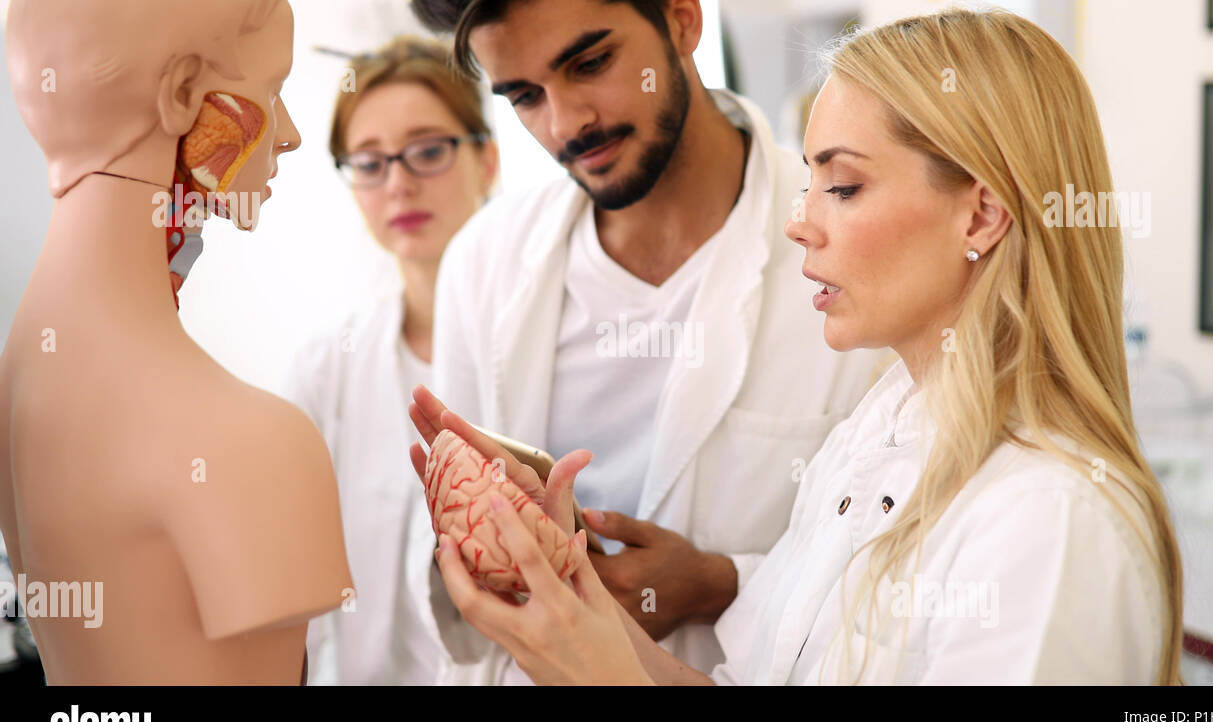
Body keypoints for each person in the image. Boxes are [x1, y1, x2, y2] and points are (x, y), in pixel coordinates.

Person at [411, 8, 1185, 685]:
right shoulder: (869, 440)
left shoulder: (1051, 522)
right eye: (811, 182)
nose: (798, 221)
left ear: (981, 217)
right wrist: (566, 583)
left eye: (843, 188)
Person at [408, 0, 887, 682]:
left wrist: (721, 583)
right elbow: (446, 590)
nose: (565, 123)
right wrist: (498, 532)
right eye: (524, 96)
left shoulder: (847, 247)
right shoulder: (483, 262)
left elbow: (901, 574)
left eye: (591, 63)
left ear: (683, 18)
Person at [0, 0, 353, 684]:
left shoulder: (21, 379)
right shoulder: (255, 444)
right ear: (184, 93)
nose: (291, 136)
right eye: (272, 92)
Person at [280, 36, 500, 685]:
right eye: (370, 163)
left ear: (487, 160)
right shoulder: (326, 371)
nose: (399, 182)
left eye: (428, 150)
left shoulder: (546, 343)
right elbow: (298, 599)